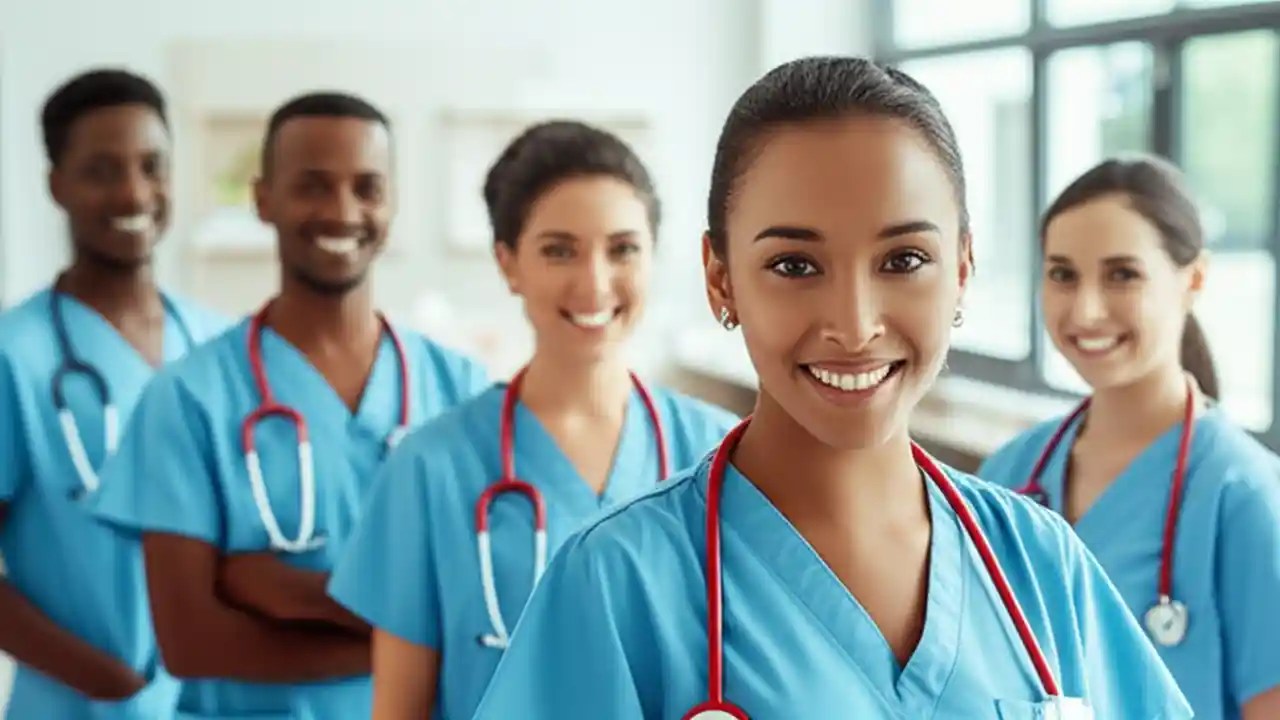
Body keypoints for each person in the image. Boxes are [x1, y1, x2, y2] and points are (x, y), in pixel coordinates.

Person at [469, 57, 1194, 720]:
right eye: (794, 265)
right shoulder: (616, 586)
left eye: (904, 258)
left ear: (963, 268)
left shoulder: (1040, 566)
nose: (854, 326)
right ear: (721, 278)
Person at [88, 92, 490, 720]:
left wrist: (284, 591)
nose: (342, 210)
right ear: (263, 198)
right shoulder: (189, 397)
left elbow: (487, 606)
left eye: (367, 187)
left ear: (391, 204)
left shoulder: (460, 386)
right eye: (313, 186)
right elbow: (192, 643)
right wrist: (412, 634)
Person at [325, 120, 739, 720]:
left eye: (622, 248)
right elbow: (399, 710)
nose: (594, 282)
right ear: (509, 264)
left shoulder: (720, 453)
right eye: (559, 250)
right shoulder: (431, 467)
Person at [978, 155, 1280, 720]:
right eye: (1063, 274)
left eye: (1122, 274)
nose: (1086, 310)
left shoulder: (1244, 495)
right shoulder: (1007, 475)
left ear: (1193, 280)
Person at [0, 69, 227, 719]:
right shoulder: (16, 355)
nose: (134, 192)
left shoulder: (220, 344)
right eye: (102, 170)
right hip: (80, 705)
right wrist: (105, 680)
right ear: (57, 186)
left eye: (152, 166)